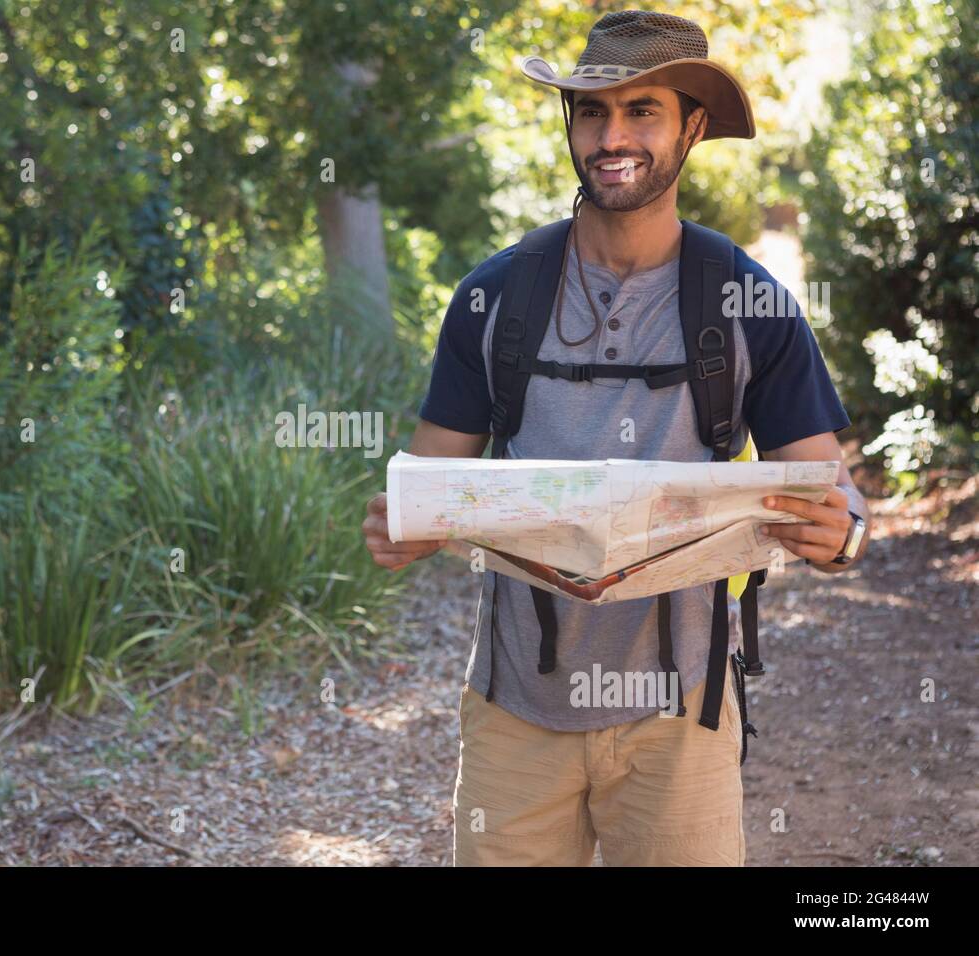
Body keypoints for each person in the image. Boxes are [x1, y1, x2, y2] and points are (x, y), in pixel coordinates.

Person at [361, 10, 872, 866]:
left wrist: (843, 534)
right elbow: (429, 487)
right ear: (570, 124)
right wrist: (400, 529)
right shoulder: (494, 298)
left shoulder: (749, 304)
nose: (612, 136)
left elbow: (835, 496)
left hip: (683, 718)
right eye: (592, 112)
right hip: (513, 711)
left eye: (642, 111)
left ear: (692, 127)